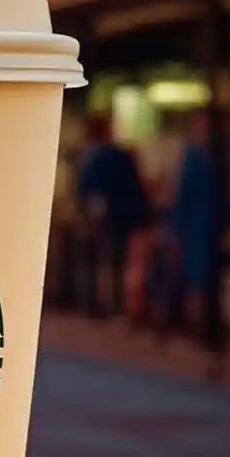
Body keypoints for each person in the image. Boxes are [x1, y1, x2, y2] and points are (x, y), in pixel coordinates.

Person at [168, 112, 225, 368]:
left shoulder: (211, 158)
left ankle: (202, 329)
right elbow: (183, 195)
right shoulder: (198, 158)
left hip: (206, 226)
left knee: (203, 278)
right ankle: (196, 329)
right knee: (195, 279)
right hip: (196, 227)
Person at [77, 116, 149, 318]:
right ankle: (116, 306)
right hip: (122, 217)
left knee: (103, 262)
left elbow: (89, 190)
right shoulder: (118, 155)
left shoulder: (97, 157)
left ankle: (101, 306)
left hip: (108, 217)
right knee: (117, 263)